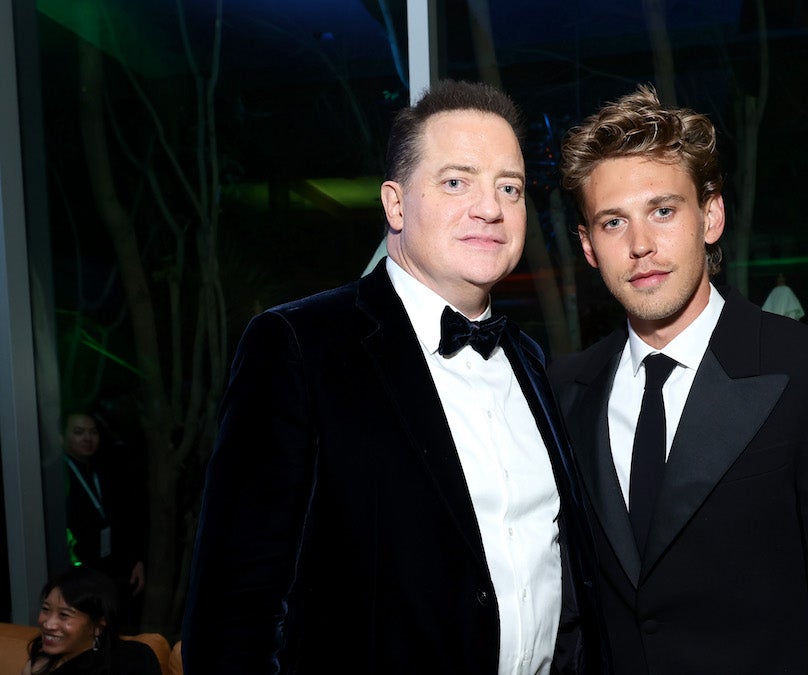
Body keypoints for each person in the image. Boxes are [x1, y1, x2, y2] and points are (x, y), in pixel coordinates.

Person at [182, 80, 604, 674]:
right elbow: (234, 609)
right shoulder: (299, 346)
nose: (490, 207)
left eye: (508, 187)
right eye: (456, 182)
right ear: (395, 204)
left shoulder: (529, 360)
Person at [549, 84, 808, 673]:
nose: (641, 246)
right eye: (613, 222)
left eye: (663, 211)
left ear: (710, 217)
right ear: (589, 247)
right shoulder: (564, 391)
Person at [61, 412, 147, 633]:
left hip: (109, 570)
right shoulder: (58, 475)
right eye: (79, 432)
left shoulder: (103, 468)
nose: (87, 438)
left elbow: (124, 517)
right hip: (76, 574)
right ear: (62, 437)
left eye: (93, 432)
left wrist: (135, 560)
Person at [22, 566, 160, 675]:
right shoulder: (38, 666)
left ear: (97, 626)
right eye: (46, 609)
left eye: (64, 615)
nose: (48, 624)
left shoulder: (135, 658)